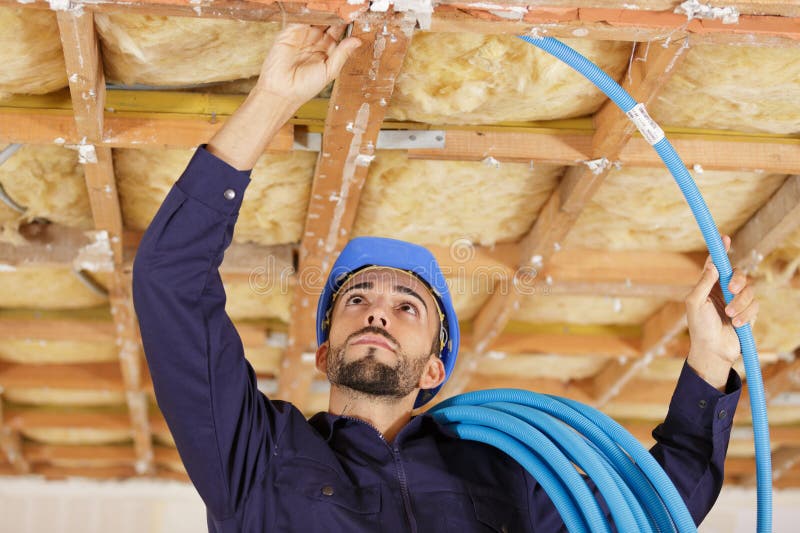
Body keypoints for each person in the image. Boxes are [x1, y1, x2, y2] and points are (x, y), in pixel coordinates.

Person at [132, 23, 759, 532]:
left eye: (408, 306)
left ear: (434, 371)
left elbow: (654, 508)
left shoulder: (502, 475)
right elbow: (170, 281)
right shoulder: (258, 458)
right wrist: (272, 98)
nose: (377, 310)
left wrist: (708, 355)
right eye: (357, 298)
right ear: (324, 351)